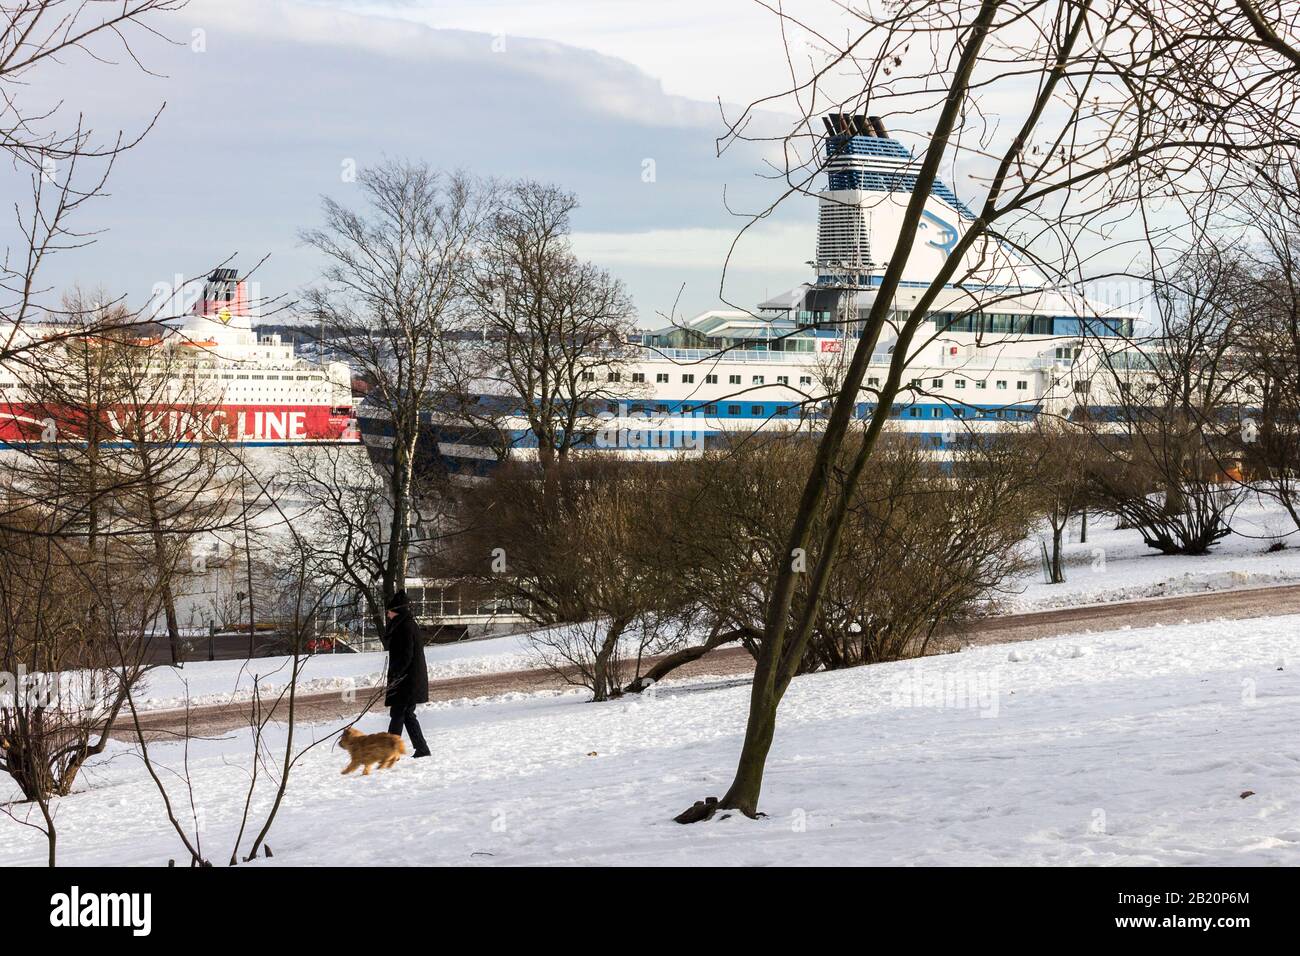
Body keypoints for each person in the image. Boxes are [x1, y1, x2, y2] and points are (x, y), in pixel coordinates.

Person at [381, 589, 430, 758]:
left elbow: (406, 655)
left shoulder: (404, 627)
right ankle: (422, 749)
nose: (387, 615)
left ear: (396, 611)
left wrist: (396, 674)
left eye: (389, 611)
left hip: (406, 681)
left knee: (398, 714)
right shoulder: (406, 624)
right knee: (406, 714)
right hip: (409, 680)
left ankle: (390, 751)